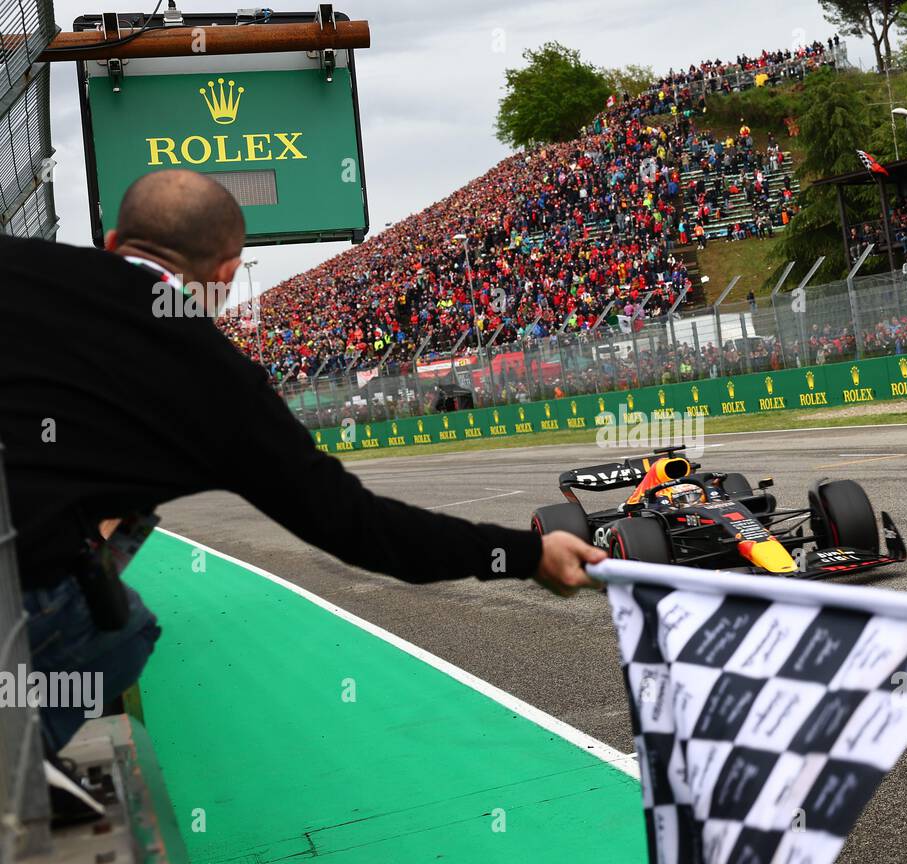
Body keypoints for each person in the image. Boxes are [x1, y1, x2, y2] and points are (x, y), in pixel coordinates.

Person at [0, 170, 606, 752]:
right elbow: (360, 527)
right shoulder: (218, 381)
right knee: (124, 632)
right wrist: (528, 554)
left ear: (111, 242)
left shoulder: (18, 262)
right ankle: (18, 766)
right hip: (22, 588)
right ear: (228, 274)